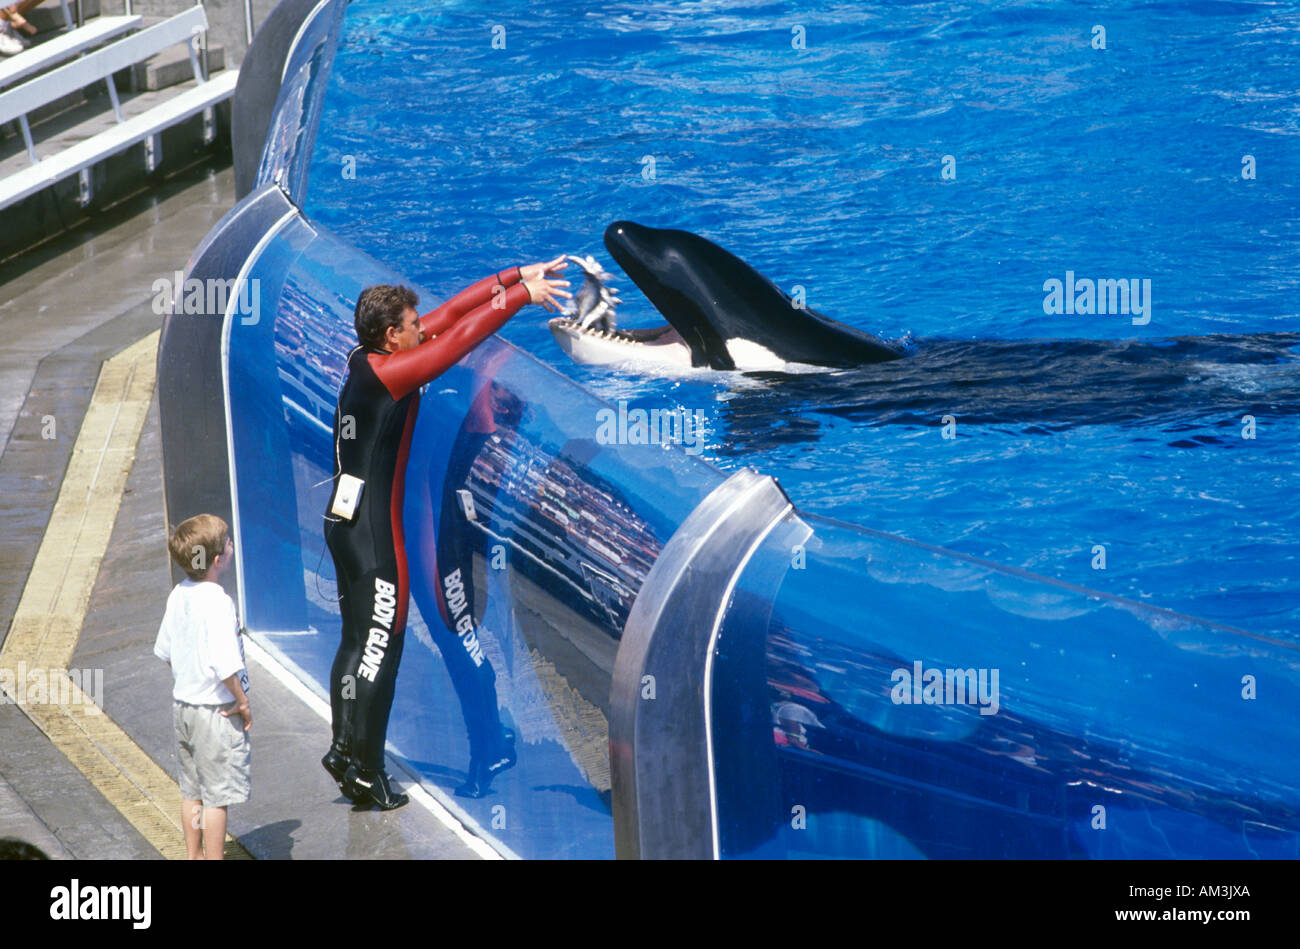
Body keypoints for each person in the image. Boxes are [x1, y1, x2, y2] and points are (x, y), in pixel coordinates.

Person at [321, 258, 570, 810]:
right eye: (412, 324)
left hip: (344, 524)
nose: (420, 327)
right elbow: (457, 339)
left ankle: (343, 749)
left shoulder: (368, 358)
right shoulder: (395, 373)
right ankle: (367, 768)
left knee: (357, 642)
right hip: (375, 534)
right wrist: (522, 300)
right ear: (393, 335)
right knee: (382, 649)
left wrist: (515, 276)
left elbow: (452, 313)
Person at [154, 513, 251, 860]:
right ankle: (214, 858)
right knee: (216, 798)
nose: (230, 545)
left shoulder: (178, 595)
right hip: (216, 712)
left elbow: (165, 651)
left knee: (191, 791)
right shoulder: (219, 603)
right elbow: (226, 665)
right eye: (227, 542)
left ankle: (193, 855)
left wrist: (189, 675)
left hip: (184, 707)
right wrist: (242, 702)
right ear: (217, 560)